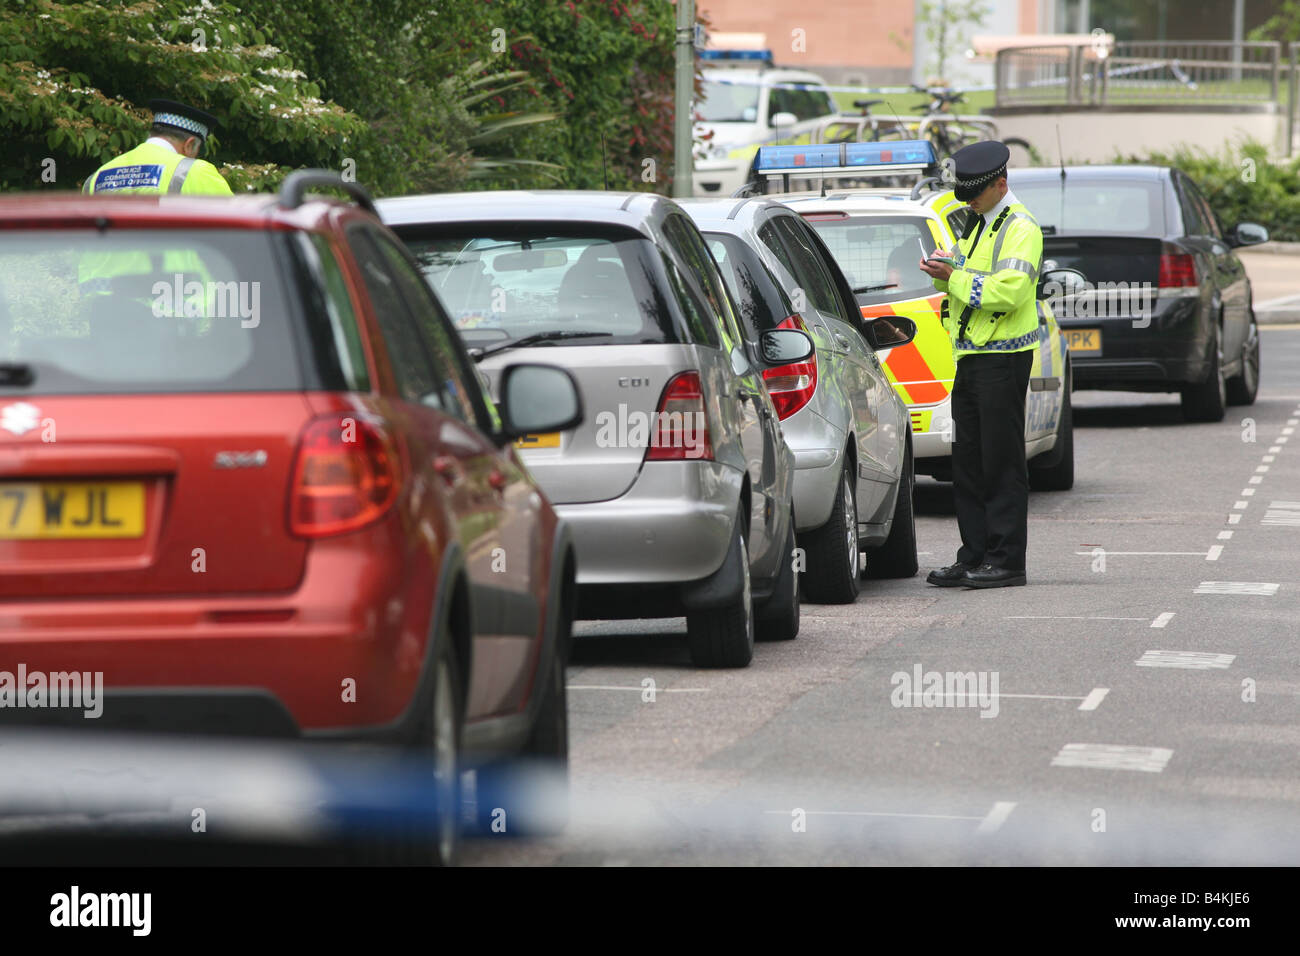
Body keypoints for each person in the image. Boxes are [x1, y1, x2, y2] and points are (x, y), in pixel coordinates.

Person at [919, 140, 1044, 589]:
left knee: (1001, 463)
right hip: (972, 357)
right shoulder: (979, 224)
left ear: (1001, 183)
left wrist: (952, 276)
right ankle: (973, 555)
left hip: (1004, 359)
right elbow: (966, 268)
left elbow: (1009, 291)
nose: (968, 202)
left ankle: (1007, 561)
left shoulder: (1021, 228)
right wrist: (944, 264)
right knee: (968, 463)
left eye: (974, 194)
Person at [82, 99, 232, 196]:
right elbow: (235, 233)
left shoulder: (96, 178)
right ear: (190, 144)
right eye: (199, 151)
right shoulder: (196, 171)